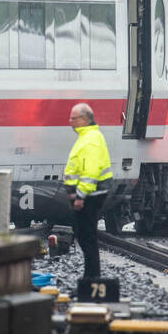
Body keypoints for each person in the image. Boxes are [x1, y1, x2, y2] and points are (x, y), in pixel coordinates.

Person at [63, 102, 113, 281]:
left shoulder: (90, 139)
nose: (70, 121)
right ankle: (91, 277)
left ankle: (92, 279)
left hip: (90, 196)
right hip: (89, 195)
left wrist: (80, 196)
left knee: (87, 238)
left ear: (84, 119)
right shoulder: (88, 136)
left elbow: (90, 172)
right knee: (85, 237)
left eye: (73, 118)